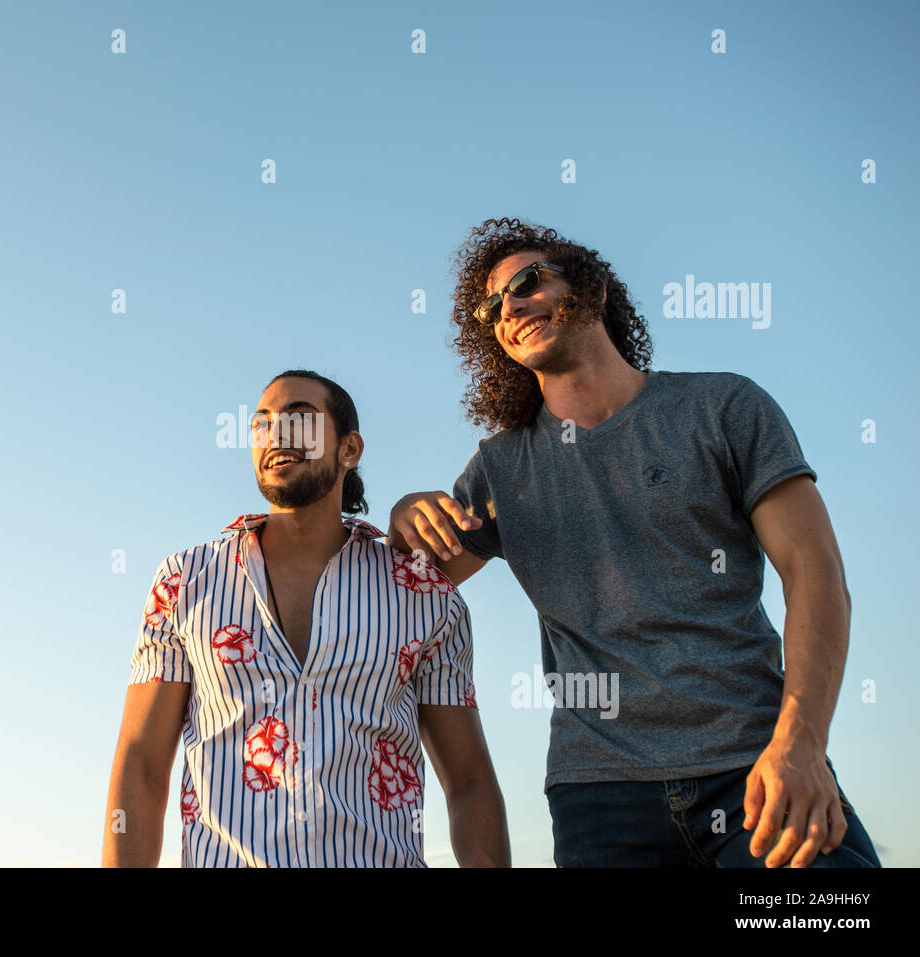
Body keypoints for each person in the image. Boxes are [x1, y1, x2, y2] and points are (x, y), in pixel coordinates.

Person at [387, 218, 880, 868]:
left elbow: (813, 570)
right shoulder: (499, 471)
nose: (510, 306)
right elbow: (401, 584)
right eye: (492, 306)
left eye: (530, 280)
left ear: (590, 287)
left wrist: (802, 743)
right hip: (601, 801)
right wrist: (399, 516)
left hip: (757, 766)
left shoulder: (722, 407)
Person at [103, 369, 508, 867]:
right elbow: (140, 765)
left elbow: (468, 781)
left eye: (298, 420)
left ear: (349, 449)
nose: (275, 436)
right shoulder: (184, 580)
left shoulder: (423, 593)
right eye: (261, 424)